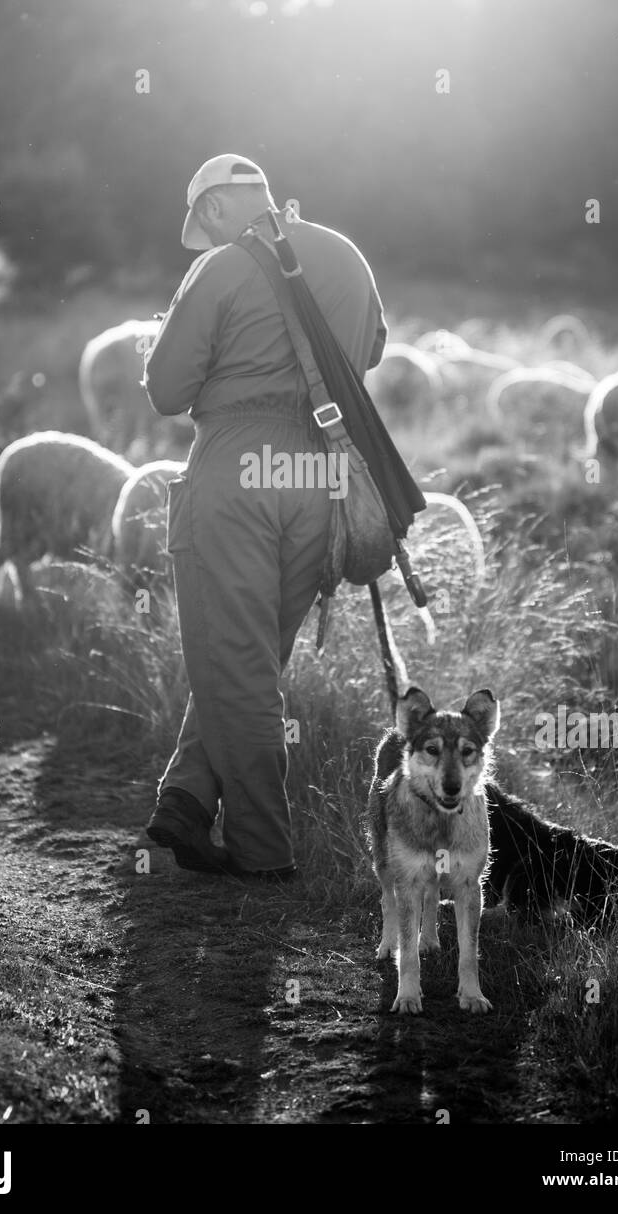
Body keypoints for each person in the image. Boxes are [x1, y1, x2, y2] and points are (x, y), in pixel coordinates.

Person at [144, 153, 387, 879]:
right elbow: (369, 351)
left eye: (201, 220)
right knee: (245, 661)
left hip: (234, 468)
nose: (203, 233)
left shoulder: (219, 266)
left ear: (217, 207)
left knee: (236, 662)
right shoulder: (345, 254)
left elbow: (165, 388)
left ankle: (261, 851)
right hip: (316, 476)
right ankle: (186, 800)